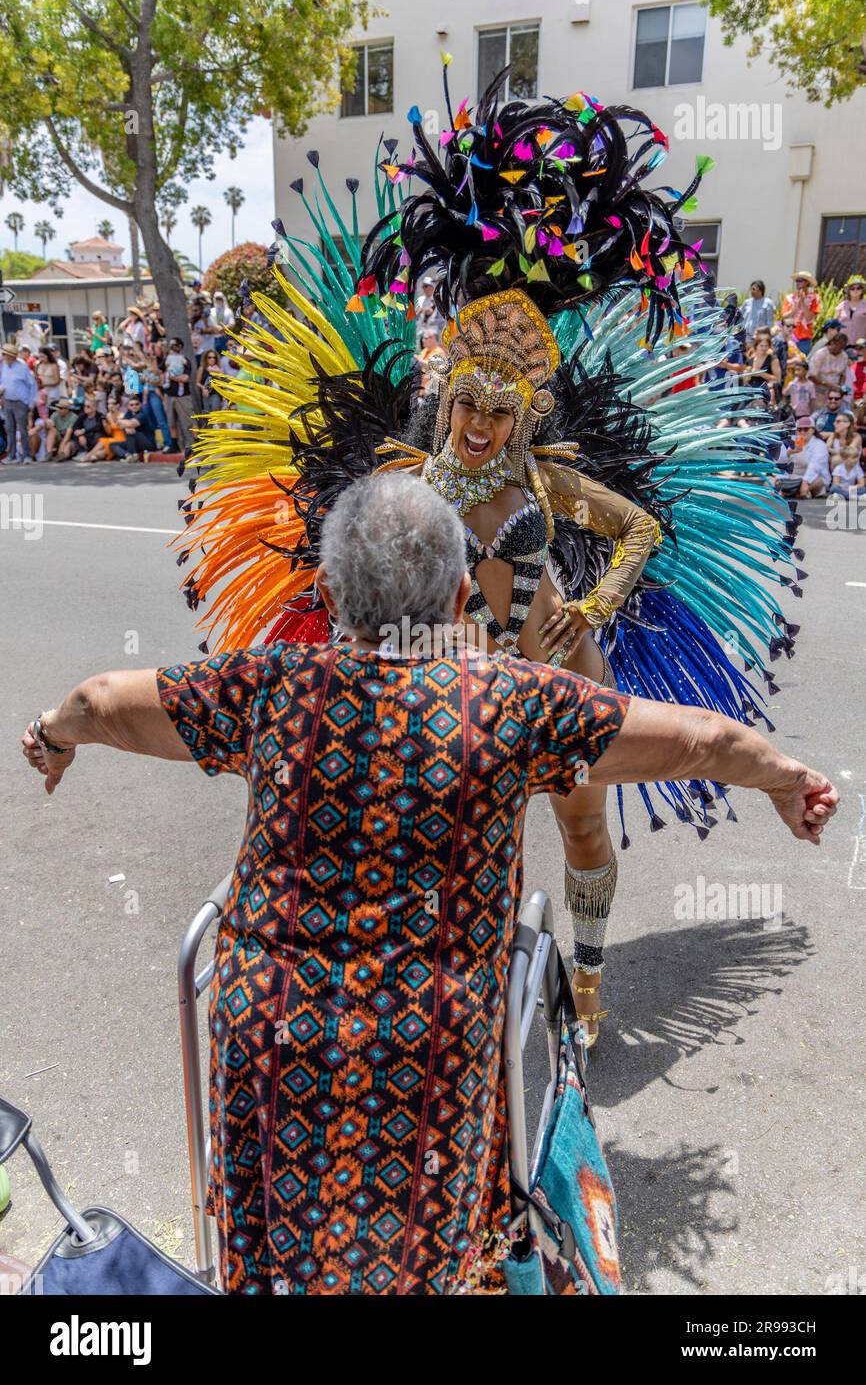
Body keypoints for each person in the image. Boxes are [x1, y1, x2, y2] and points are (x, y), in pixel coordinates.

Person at [21, 473, 838, 1296]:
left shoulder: (268, 685)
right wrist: (785, 779)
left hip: (266, 1037)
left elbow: (99, 703)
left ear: (330, 592)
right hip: (431, 1057)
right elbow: (697, 739)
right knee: (425, 1264)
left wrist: (51, 739)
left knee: (274, 1260)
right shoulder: (512, 705)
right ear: (458, 598)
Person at [184, 69, 800, 1050]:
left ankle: (586, 982)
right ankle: (442, 991)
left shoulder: (552, 485)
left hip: (555, 672)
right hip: (449, 685)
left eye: (495, 410)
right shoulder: (402, 481)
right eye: (464, 404)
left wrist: (593, 608)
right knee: (448, 842)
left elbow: (638, 528)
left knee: (584, 831)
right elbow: (351, 567)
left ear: (522, 413)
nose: (475, 425)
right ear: (447, 398)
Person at [0, 341, 37, 464]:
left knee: (22, 429)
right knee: (10, 429)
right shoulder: (3, 366)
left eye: (5, 354)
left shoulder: (22, 367)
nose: (3, 356)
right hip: (7, 401)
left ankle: (26, 455)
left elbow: (32, 385)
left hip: (20, 402)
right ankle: (12, 455)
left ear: (11, 356)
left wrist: (30, 402)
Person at [778, 417, 830, 498]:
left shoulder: (820, 445)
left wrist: (806, 481)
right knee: (768, 482)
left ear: (813, 430)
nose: (802, 432)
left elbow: (815, 466)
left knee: (819, 482)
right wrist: (789, 452)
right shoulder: (790, 441)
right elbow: (778, 461)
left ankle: (790, 492)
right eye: (799, 429)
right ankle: (795, 491)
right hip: (791, 478)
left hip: (811, 478)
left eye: (806, 429)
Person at [162, 336, 195, 452]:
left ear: (180, 347)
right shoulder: (166, 359)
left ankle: (194, 445)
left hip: (183, 396)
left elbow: (185, 378)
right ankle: (174, 445)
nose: (171, 346)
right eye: (170, 344)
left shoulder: (185, 360)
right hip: (169, 395)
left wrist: (171, 377)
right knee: (171, 422)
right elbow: (160, 373)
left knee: (188, 422)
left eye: (174, 344)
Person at [808, 329, 850, 408]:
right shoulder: (821, 354)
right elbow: (811, 375)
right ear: (832, 343)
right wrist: (828, 385)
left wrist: (840, 387)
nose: (840, 349)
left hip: (834, 392)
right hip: (819, 390)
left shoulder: (844, 356)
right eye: (839, 346)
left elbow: (842, 375)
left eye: (842, 347)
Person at [781, 271, 820, 354]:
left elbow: (810, 317)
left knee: (801, 364)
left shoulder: (814, 298)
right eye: (797, 280)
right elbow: (784, 317)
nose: (797, 283)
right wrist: (794, 308)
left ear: (807, 283)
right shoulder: (789, 298)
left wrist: (802, 302)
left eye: (800, 280)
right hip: (789, 336)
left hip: (804, 338)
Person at [69, 396, 109, 462]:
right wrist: (80, 435)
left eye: (88, 406)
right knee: (78, 435)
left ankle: (89, 456)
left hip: (98, 443)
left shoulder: (100, 416)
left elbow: (98, 427)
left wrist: (84, 431)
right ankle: (83, 452)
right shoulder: (82, 416)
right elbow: (75, 426)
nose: (85, 408)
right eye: (84, 406)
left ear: (94, 408)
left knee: (97, 436)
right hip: (87, 441)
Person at [835, 275, 866, 344]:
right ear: (849, 291)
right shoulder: (842, 305)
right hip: (842, 343)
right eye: (853, 288)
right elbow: (835, 323)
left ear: (862, 290)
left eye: (858, 288)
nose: (856, 290)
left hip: (861, 344)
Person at [414, 327, 446, 394]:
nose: (423, 340)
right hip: (421, 390)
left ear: (433, 338)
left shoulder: (439, 352)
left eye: (425, 338)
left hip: (431, 392)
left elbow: (430, 366)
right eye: (423, 338)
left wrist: (416, 359)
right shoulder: (424, 350)